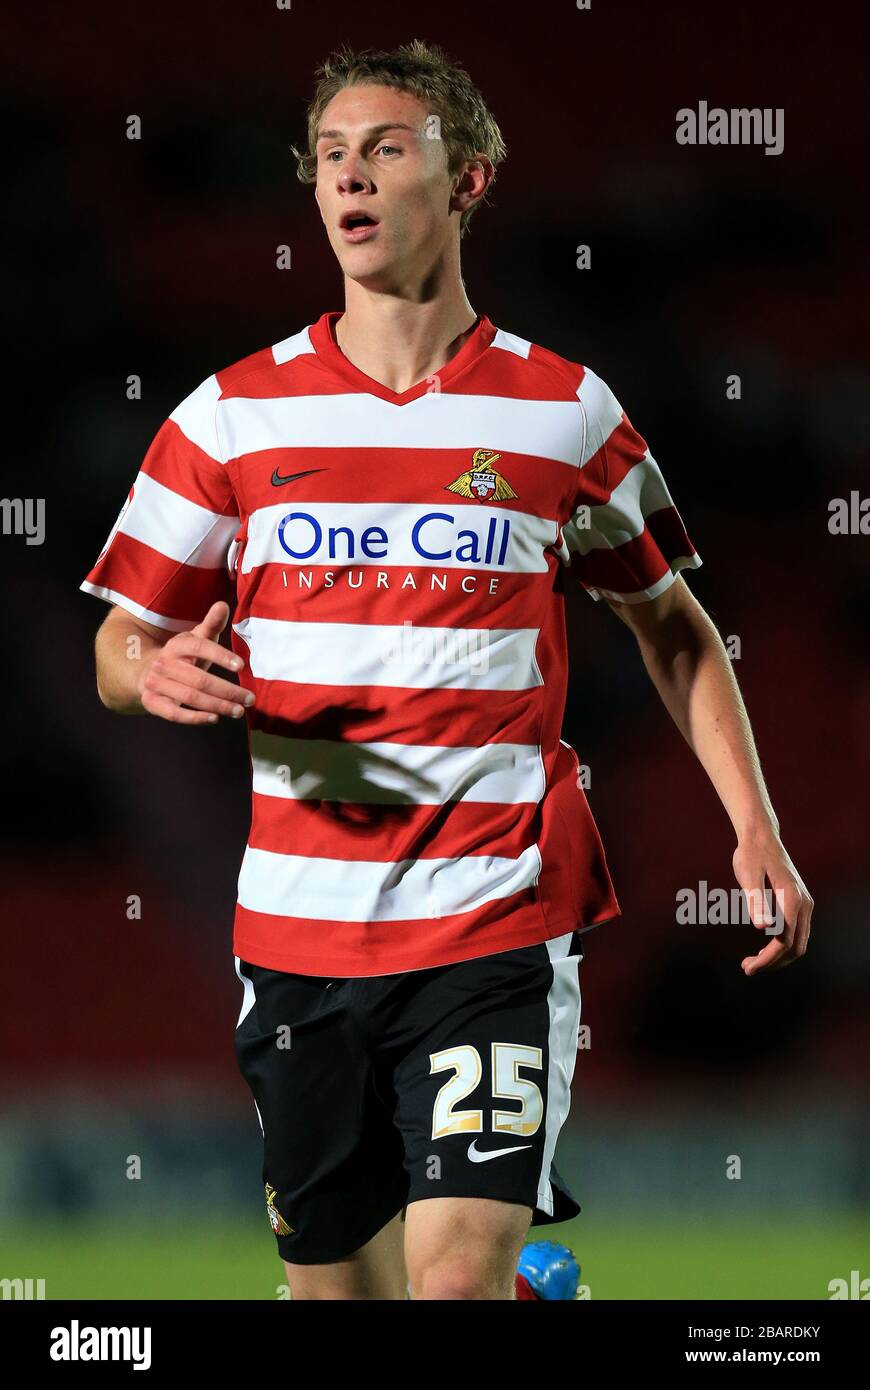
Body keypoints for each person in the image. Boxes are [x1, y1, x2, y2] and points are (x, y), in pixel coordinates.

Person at [82, 40, 813, 1301]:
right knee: (334, 1294)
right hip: (300, 936)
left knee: (456, 1287)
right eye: (327, 157)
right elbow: (116, 642)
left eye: (383, 149)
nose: (347, 180)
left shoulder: (563, 413)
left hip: (493, 921)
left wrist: (755, 824)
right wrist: (149, 674)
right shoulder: (230, 417)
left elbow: (675, 624)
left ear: (468, 179)